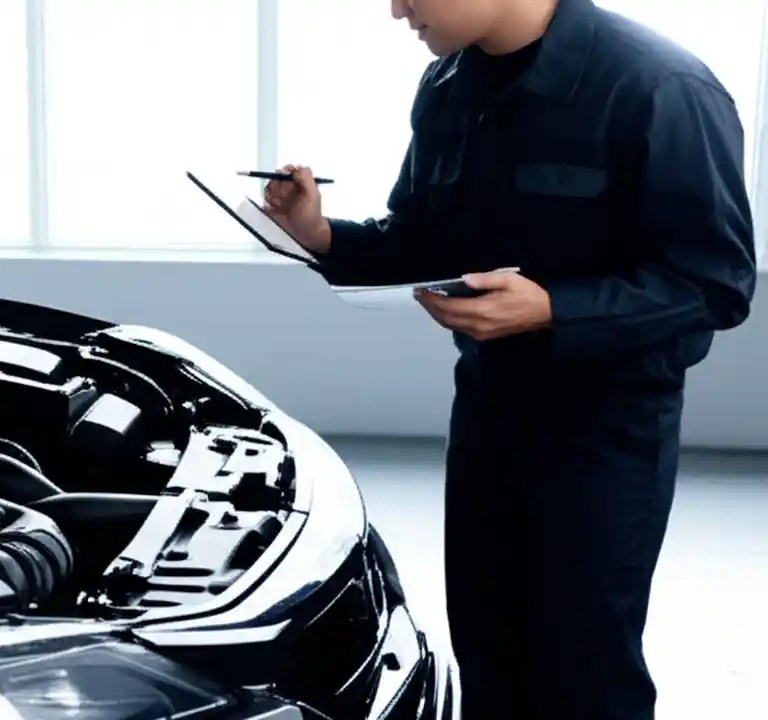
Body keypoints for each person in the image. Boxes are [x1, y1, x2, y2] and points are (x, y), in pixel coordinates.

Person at [262, 0, 757, 718]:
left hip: (606, 434)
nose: (395, 8)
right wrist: (319, 234)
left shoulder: (660, 86)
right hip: (489, 413)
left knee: (584, 669)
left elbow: (716, 283)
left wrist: (553, 307)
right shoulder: (449, 84)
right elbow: (422, 240)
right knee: (488, 650)